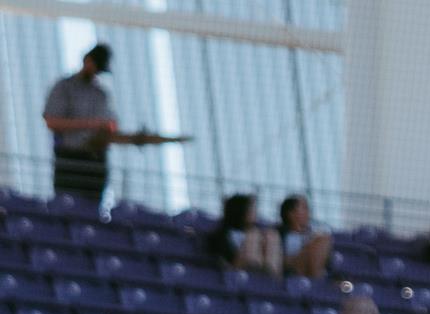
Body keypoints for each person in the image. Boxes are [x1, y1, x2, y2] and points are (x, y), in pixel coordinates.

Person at [44, 43, 177, 204]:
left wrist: (109, 128)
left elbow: (111, 124)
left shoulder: (101, 94)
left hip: (95, 161)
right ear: (87, 60)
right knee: (66, 203)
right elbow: (51, 121)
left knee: (92, 206)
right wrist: (91, 124)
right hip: (71, 159)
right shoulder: (64, 88)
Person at [206, 193, 281, 277]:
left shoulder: (259, 232)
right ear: (241, 211)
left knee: (271, 235)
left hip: (262, 271)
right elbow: (226, 259)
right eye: (250, 210)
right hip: (237, 271)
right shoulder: (222, 235)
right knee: (253, 235)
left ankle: (272, 278)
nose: (254, 213)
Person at [275, 194, 333, 277]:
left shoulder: (314, 231)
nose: (308, 212)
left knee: (322, 240)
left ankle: (316, 280)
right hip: (293, 271)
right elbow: (280, 260)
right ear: (291, 214)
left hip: (312, 266)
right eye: (304, 208)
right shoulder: (280, 235)